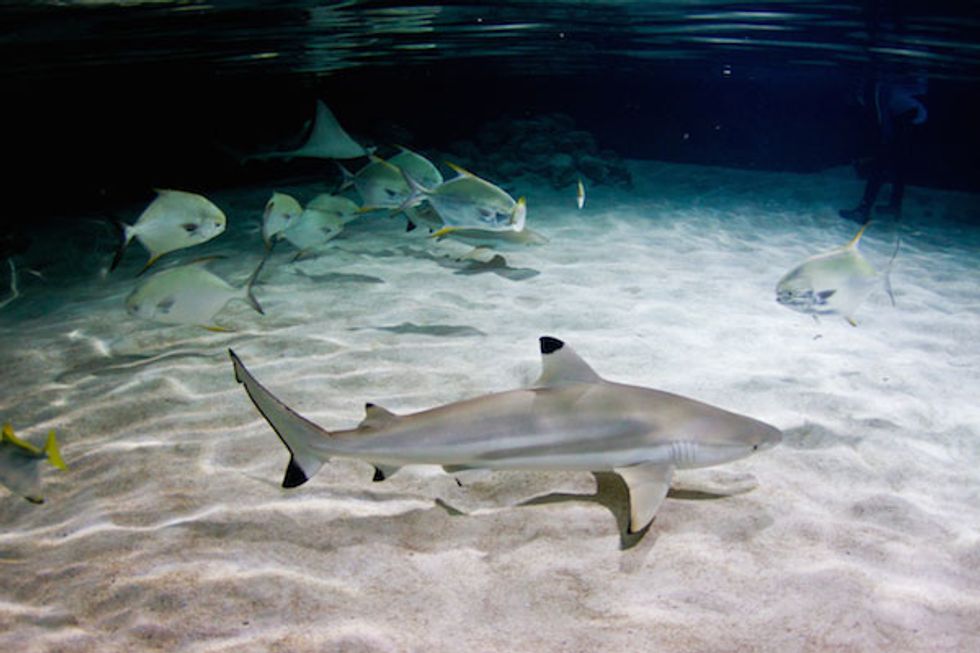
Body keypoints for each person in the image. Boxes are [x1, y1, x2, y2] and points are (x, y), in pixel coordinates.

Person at [839, 76, 927, 223]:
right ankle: (894, 206)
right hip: (911, 119)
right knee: (899, 166)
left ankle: (863, 210)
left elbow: (883, 117)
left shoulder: (881, 87)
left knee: (879, 168)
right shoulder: (890, 85)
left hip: (905, 120)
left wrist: (885, 142)